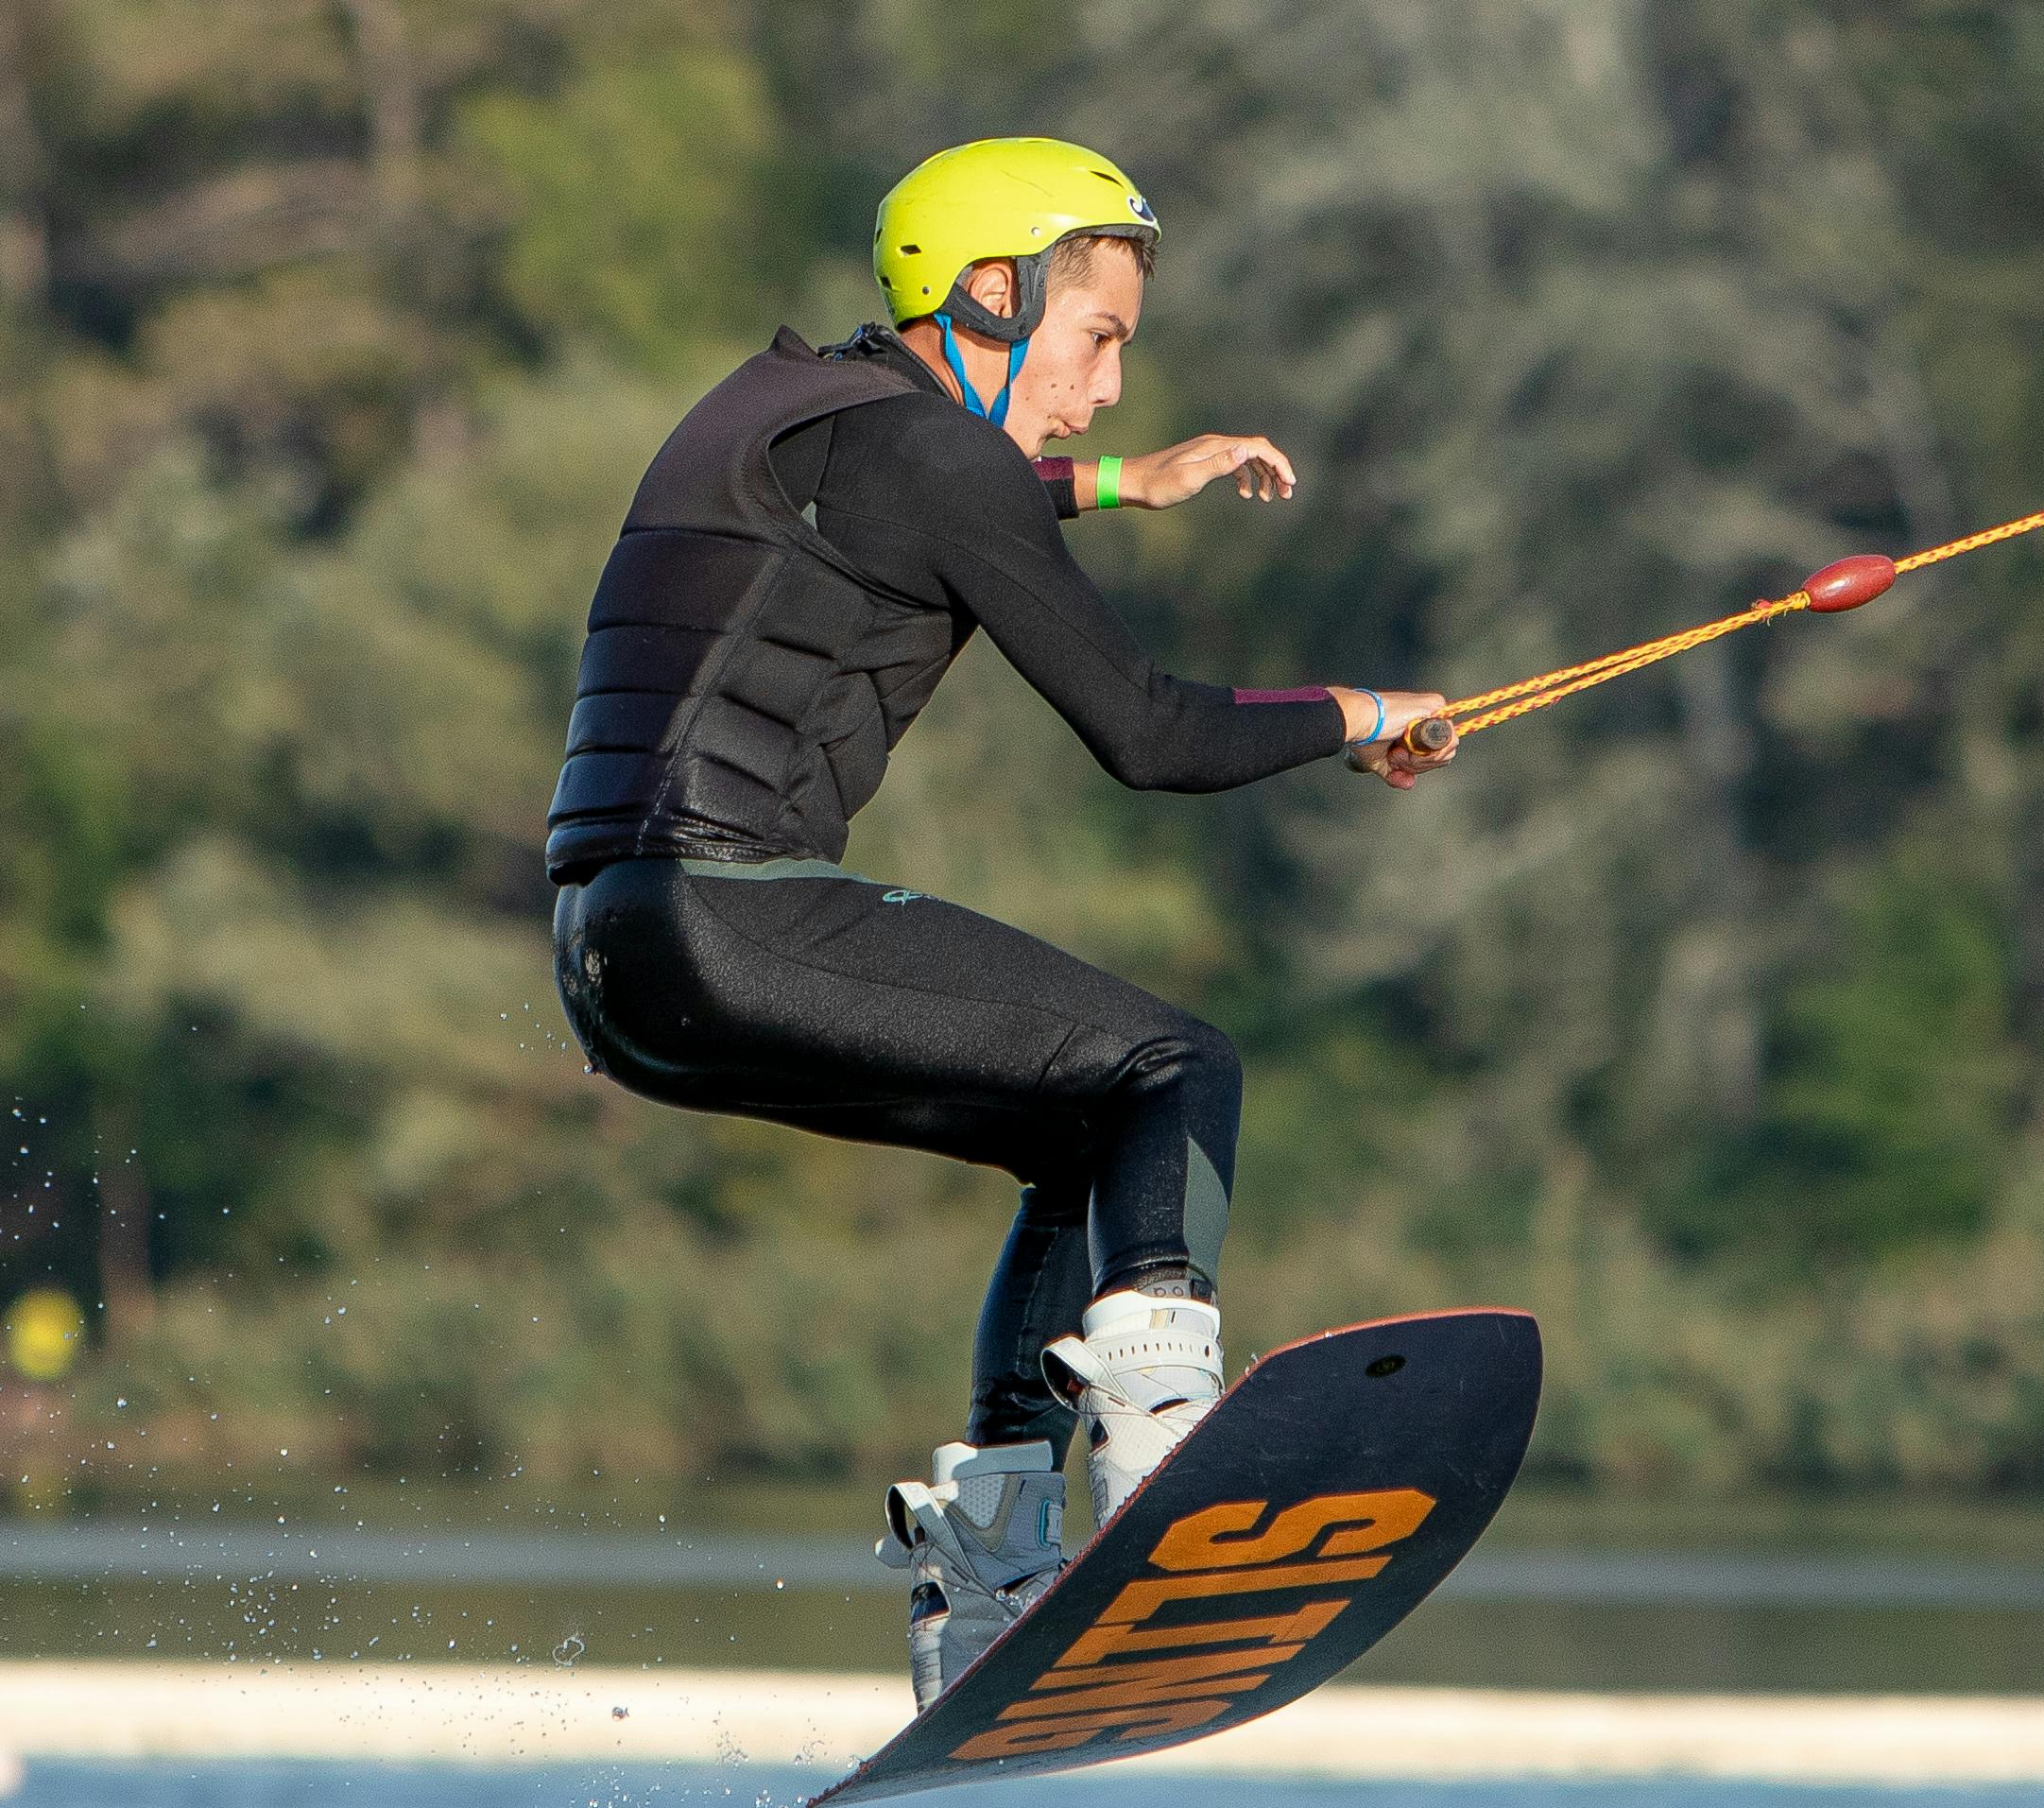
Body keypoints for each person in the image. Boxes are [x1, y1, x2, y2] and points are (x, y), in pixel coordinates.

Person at [543, 138, 1455, 1706]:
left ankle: (993, 1566)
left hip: (612, 954)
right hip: (730, 906)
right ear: (992, 291)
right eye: (1097, 341)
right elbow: (1153, 733)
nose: (1105, 393)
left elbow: (965, 492)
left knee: (1075, 1131)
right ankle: (1161, 1453)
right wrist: (1358, 712)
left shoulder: (797, 413)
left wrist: (1123, 482)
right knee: (1174, 1066)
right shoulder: (933, 464)